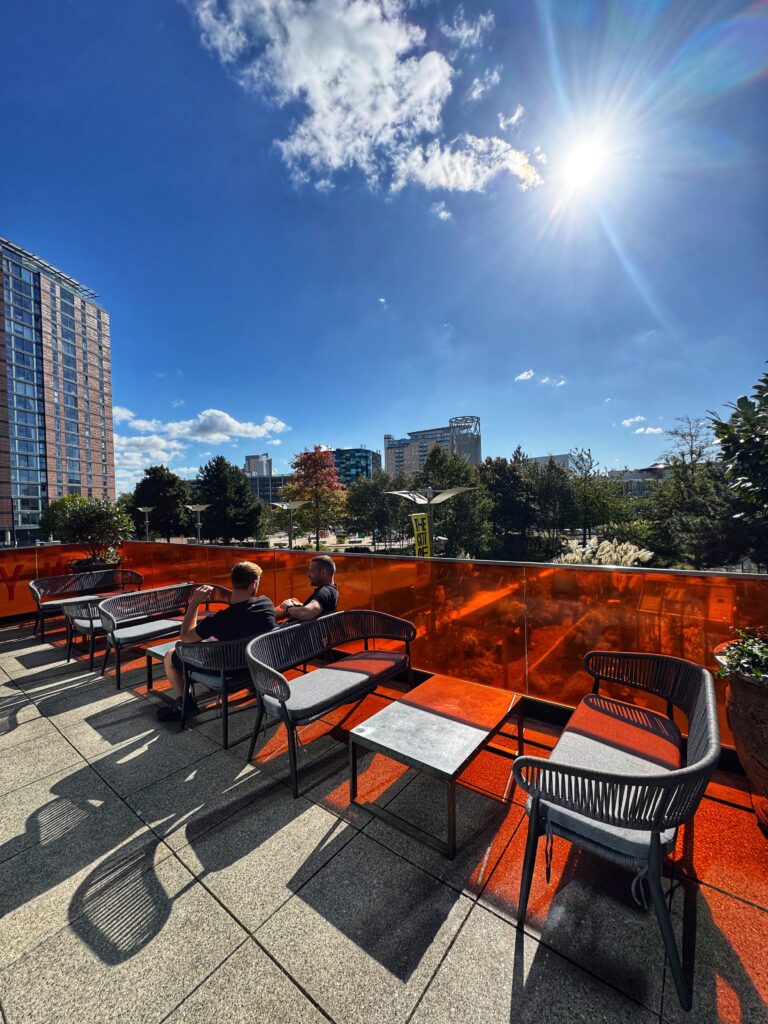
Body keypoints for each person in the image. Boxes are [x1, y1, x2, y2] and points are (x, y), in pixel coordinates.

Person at [157, 561, 276, 722]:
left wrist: (194, 603)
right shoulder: (265, 604)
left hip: (227, 670)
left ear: (233, 582)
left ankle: (185, 704)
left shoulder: (219, 620)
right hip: (257, 665)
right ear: (254, 584)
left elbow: (185, 637)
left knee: (171, 655)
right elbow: (244, 611)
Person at [278, 554, 338, 623]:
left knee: (266, 605)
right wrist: (299, 605)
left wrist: (288, 607)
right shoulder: (332, 590)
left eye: (311, 571)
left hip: (288, 632)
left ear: (323, 572)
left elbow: (306, 613)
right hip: (294, 630)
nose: (308, 574)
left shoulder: (325, 591)